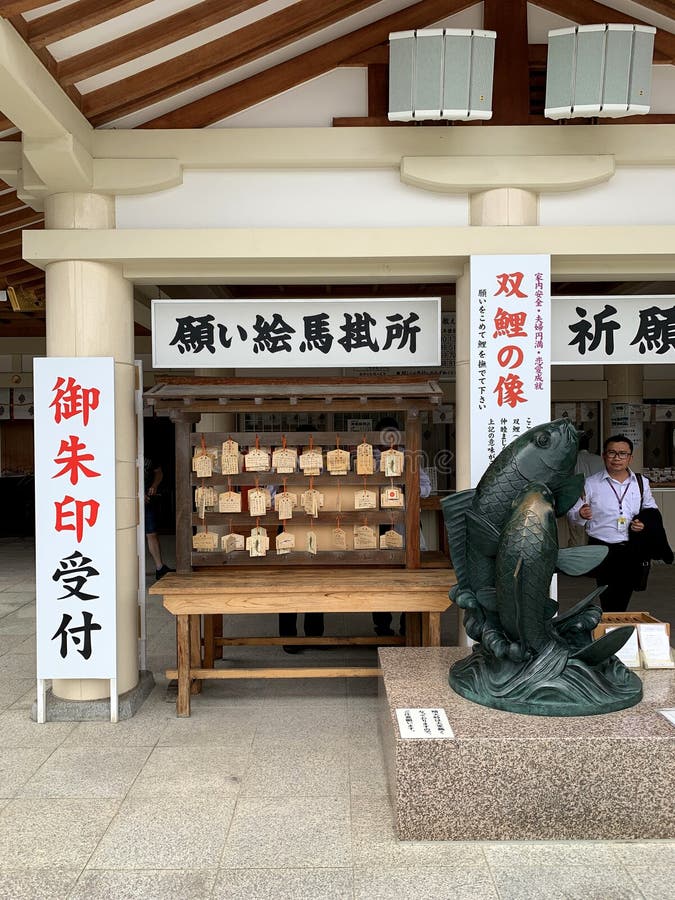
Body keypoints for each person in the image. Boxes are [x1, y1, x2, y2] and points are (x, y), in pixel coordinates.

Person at [567, 434, 657, 612]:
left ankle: (614, 622)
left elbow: (651, 510)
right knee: (608, 595)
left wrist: (644, 523)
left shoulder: (641, 483)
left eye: (622, 454)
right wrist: (581, 514)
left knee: (624, 593)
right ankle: (612, 623)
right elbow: (572, 514)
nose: (617, 458)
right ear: (604, 456)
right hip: (602, 548)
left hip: (631, 547)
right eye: (612, 453)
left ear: (630, 457)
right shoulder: (590, 484)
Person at [372, 417, 432, 638]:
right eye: (385, 437)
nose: (389, 442)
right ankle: (382, 627)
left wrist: (407, 489)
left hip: (406, 522)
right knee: (380, 577)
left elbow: (426, 487)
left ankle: (409, 626)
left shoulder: (409, 457)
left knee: (411, 574)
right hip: (377, 523)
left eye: (393, 437)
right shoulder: (368, 457)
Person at [566, 432, 605, 547]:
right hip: (598, 500)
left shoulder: (571, 460)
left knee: (577, 538)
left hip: (576, 499)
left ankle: (577, 557)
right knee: (597, 536)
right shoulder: (599, 459)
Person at [144, 456, 174, 580]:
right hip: (128, 499)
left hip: (147, 500)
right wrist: (137, 494)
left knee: (151, 533)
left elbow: (159, 472)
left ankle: (159, 568)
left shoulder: (150, 455)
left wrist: (154, 485)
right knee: (128, 534)